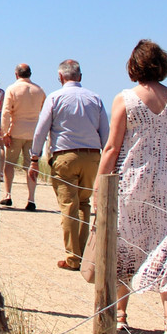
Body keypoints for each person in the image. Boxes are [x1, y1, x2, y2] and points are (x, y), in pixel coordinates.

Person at [97, 40, 167, 330]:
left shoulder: (125, 98)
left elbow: (112, 147)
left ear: (133, 65)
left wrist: (100, 185)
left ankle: (120, 315)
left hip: (131, 183)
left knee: (125, 246)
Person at [32, 59, 110, 271]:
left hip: (65, 156)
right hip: (92, 157)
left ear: (60, 77)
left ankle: (73, 258)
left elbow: (41, 130)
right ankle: (82, 254)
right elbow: (106, 133)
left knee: (69, 207)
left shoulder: (55, 98)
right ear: (80, 77)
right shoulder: (95, 98)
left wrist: (34, 158)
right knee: (84, 204)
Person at [0, 64, 46, 210]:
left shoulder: (12, 89)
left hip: (16, 130)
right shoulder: (39, 90)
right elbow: (44, 114)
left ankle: (8, 194)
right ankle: (31, 198)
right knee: (31, 165)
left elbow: (6, 113)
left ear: (16, 74)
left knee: (10, 164)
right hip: (33, 132)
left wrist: (5, 132)